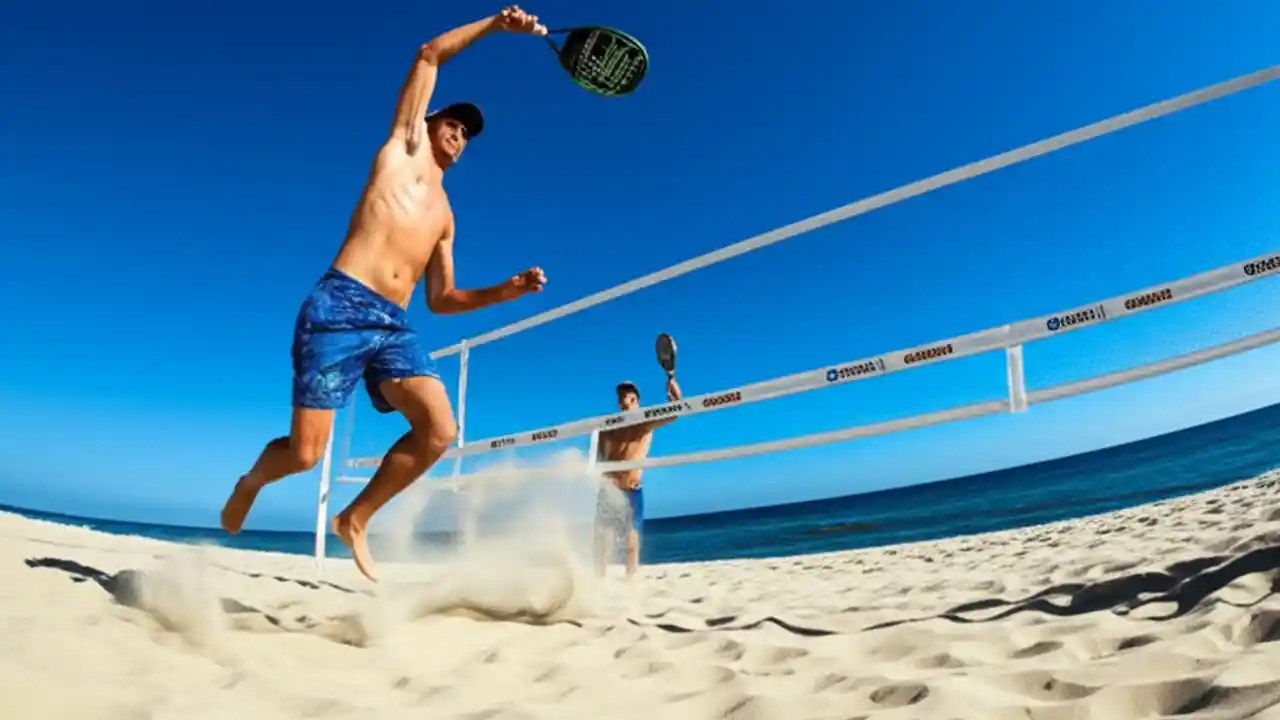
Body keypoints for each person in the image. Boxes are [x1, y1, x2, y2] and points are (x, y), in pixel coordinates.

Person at [220, 6, 550, 582]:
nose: (460, 135)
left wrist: (509, 290)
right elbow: (428, 53)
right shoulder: (401, 149)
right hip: (340, 305)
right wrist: (497, 26)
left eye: (468, 134)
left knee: (440, 431)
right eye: (452, 122)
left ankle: (356, 519)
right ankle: (251, 481)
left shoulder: (446, 216)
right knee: (305, 455)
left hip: (392, 327)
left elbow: (442, 300)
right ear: (427, 122)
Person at [594, 375, 683, 579]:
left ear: (635, 400)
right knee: (602, 542)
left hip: (632, 489)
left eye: (626, 396)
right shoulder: (609, 428)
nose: (622, 399)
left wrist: (675, 395)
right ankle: (597, 583)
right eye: (620, 396)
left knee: (631, 544)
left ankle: (630, 584)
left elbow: (676, 412)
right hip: (609, 490)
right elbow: (599, 457)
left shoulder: (645, 422)